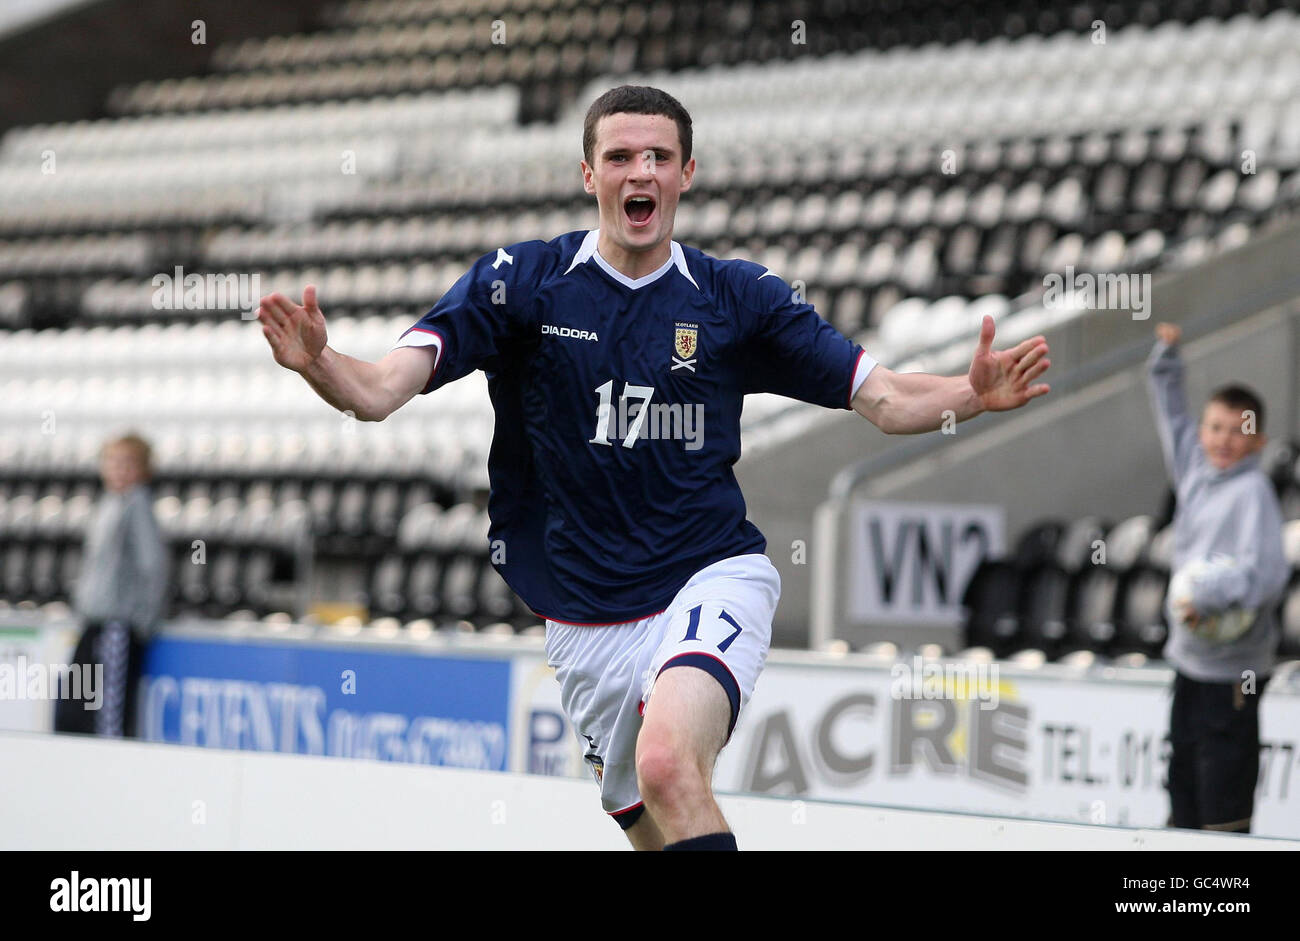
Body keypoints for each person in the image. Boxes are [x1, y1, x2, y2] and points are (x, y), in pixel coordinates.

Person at [257, 85, 1051, 850]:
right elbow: (378, 392)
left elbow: (882, 398)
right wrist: (319, 363)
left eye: (660, 157)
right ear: (589, 175)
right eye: (622, 155)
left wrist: (969, 395)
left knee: (670, 763)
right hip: (584, 619)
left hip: (710, 576)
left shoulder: (735, 297)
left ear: (686, 175)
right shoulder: (521, 284)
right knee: (652, 823)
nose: (642, 171)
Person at [1147, 322, 1289, 832]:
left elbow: (1266, 576)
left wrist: (1206, 595)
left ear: (1258, 440)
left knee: (1223, 804)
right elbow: (1170, 411)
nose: (1224, 440)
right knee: (1181, 791)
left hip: (1234, 677)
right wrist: (1166, 356)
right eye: (1215, 428)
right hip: (1189, 667)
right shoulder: (1194, 471)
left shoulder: (1254, 495)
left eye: (1238, 430)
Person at [56, 432, 169, 738]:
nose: (120, 470)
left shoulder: (138, 507)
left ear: (144, 470)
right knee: (74, 709)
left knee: (107, 713)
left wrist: (141, 621)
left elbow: (153, 566)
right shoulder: (108, 504)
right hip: (94, 623)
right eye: (114, 462)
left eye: (128, 464)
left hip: (117, 626)